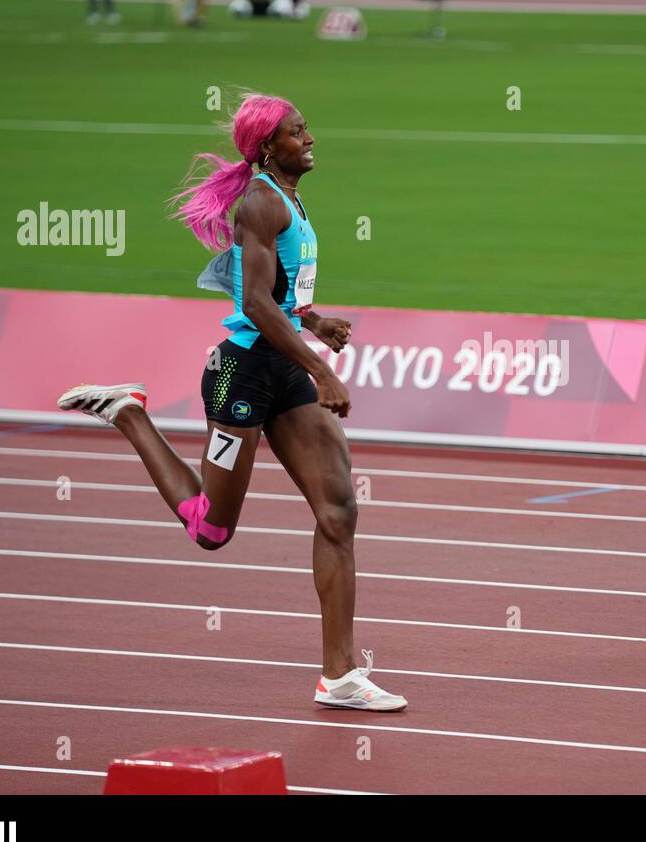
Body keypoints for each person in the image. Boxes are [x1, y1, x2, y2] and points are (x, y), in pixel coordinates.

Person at [57, 94, 407, 713]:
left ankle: (340, 676)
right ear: (269, 146)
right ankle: (131, 414)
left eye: (308, 129)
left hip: (283, 367)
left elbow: (277, 291)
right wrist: (319, 369)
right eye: (300, 132)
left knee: (339, 511)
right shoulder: (263, 202)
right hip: (241, 377)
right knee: (212, 530)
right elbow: (253, 304)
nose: (311, 139)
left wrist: (315, 321)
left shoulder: (290, 200)